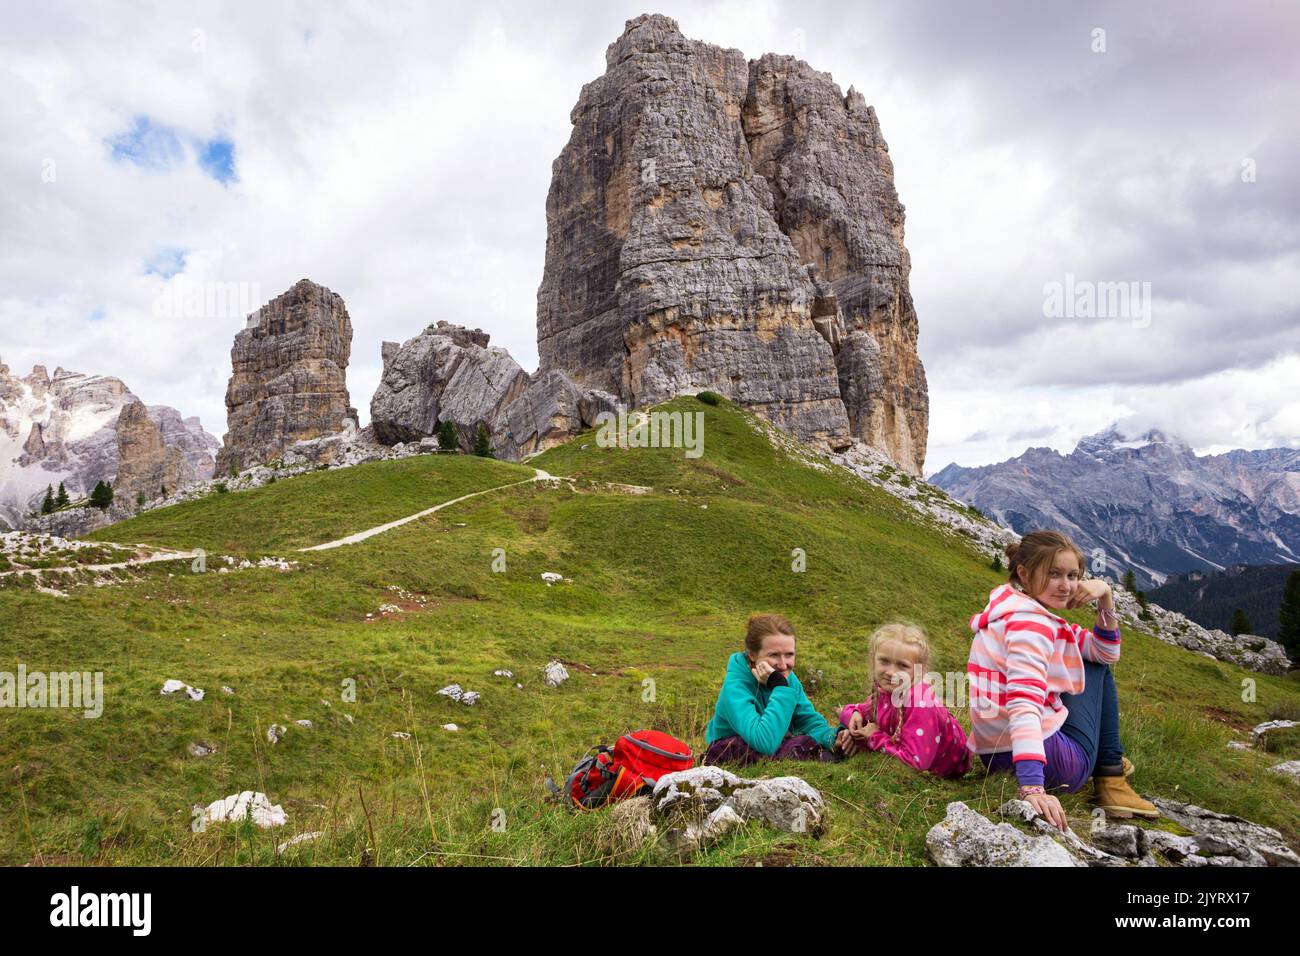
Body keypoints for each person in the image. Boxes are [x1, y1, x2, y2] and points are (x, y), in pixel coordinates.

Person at [968, 530, 1159, 830]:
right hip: (1054, 767)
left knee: (1091, 657)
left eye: (1073, 575)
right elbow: (1024, 702)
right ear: (1025, 574)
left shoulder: (1010, 610)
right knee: (1096, 669)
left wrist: (1105, 597)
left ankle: (1109, 767)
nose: (1066, 586)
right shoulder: (1031, 626)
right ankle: (1110, 775)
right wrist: (1032, 787)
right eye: (1054, 574)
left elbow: (1105, 650)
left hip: (994, 757)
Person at [703, 612, 854, 766]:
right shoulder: (735, 686)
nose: (783, 665)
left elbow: (808, 722)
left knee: (804, 746)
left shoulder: (787, 677)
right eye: (774, 655)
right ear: (753, 655)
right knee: (798, 747)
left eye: (789, 655)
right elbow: (763, 741)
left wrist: (834, 737)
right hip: (729, 754)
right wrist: (780, 687)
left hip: (769, 748)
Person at [838, 622, 970, 778]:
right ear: (873, 660)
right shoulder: (886, 692)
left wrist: (875, 737)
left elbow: (916, 763)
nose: (891, 672)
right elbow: (852, 709)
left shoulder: (919, 703)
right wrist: (855, 716)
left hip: (948, 768)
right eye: (884, 661)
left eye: (902, 665)